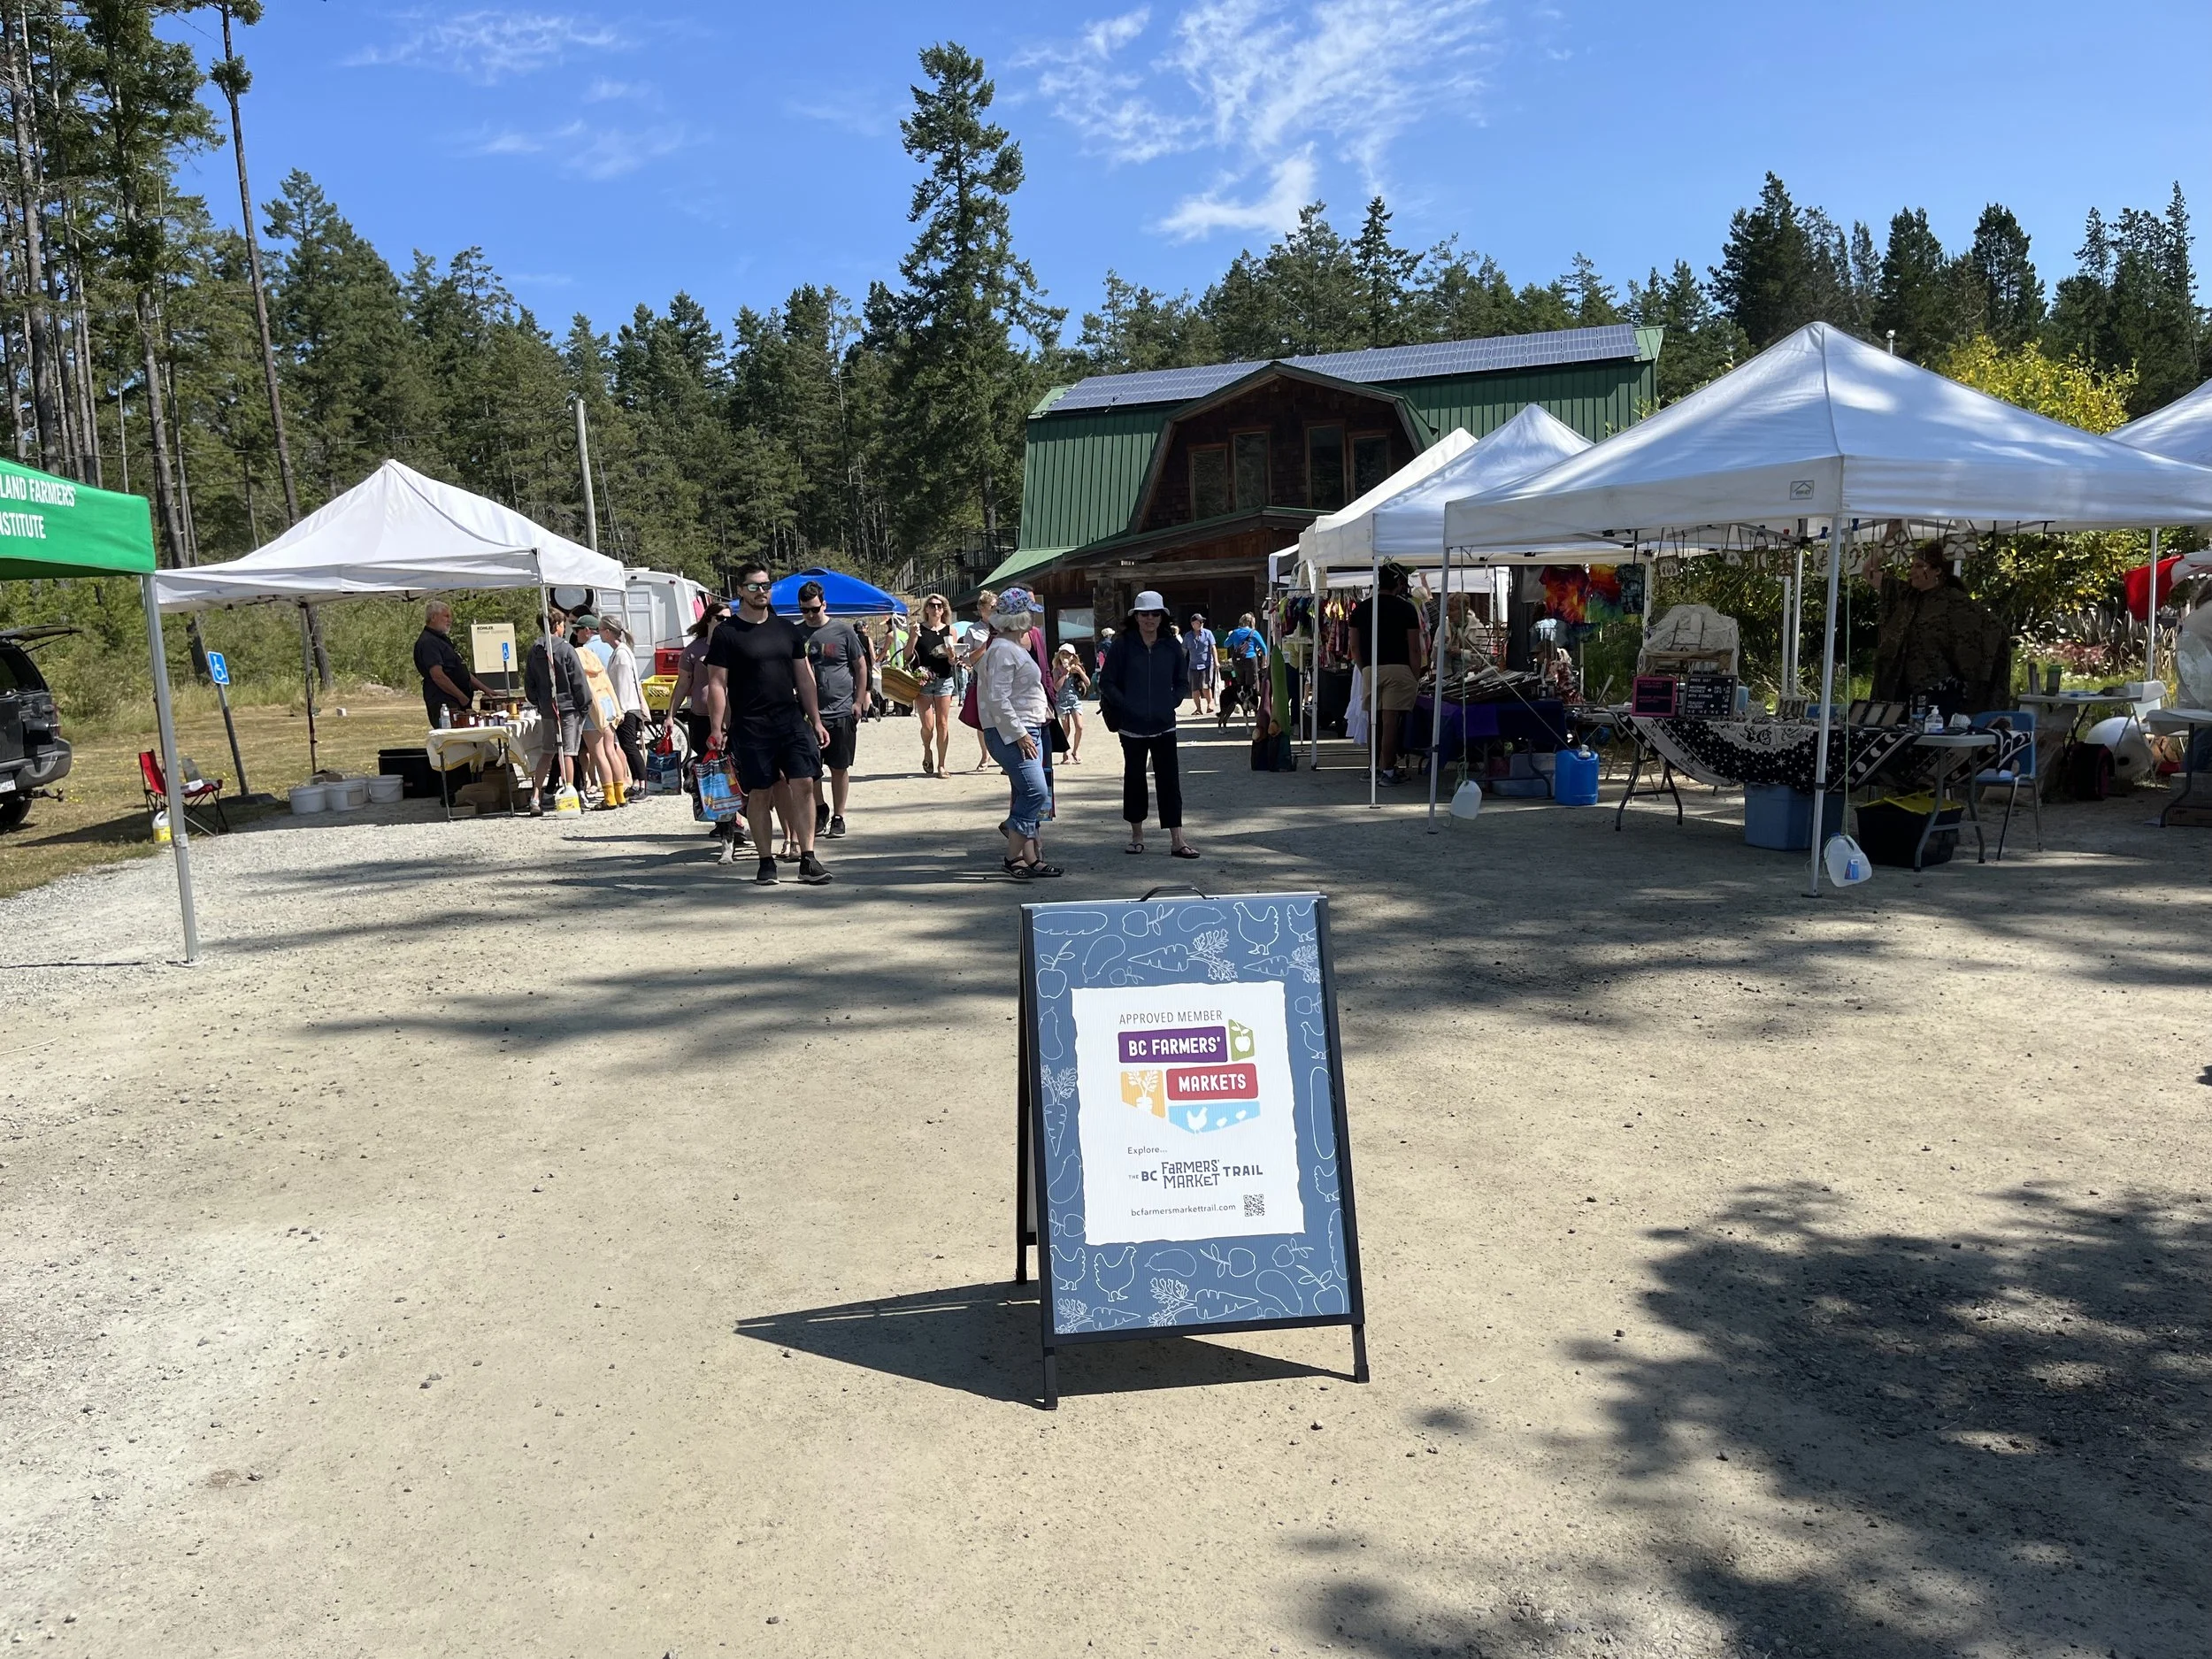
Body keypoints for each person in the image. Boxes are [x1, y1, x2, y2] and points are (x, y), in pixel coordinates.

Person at [703, 562, 833, 885]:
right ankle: (765, 862)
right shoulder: (727, 634)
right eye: (754, 586)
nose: (762, 591)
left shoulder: (786, 630)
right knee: (760, 793)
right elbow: (717, 684)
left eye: (766, 585)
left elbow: (804, 678)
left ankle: (808, 859)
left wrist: (815, 719)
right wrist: (717, 728)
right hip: (750, 724)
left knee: (803, 783)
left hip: (790, 720)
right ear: (740, 591)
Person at [1862, 531, 2008, 717]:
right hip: (1897, 691)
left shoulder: (1955, 603)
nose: (1912, 572)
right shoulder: (1905, 595)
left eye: (1919, 566)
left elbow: (1995, 629)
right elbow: (1868, 572)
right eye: (1912, 565)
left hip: (1937, 696)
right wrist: (1888, 537)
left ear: (1937, 570)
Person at [1100, 589, 1198, 858]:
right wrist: (1126, 704)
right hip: (1131, 727)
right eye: (1145, 614)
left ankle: (1177, 840)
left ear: (1162, 617)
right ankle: (1136, 836)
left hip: (1164, 724)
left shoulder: (1171, 646)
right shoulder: (1122, 644)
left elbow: (1181, 682)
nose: (1150, 619)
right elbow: (1106, 682)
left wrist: (1171, 702)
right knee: (1134, 780)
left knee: (1169, 781)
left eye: (1155, 613)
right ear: (1136, 616)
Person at [974, 585, 1061, 879]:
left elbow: (1018, 693)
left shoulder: (1007, 648)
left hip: (1025, 730)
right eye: (1030, 614)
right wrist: (1021, 733)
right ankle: (1013, 857)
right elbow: (998, 699)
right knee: (1036, 791)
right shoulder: (1003, 651)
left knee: (1032, 791)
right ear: (1020, 618)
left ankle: (1030, 857)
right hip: (1014, 734)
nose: (1034, 620)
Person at [794, 579, 872, 839]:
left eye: (815, 609)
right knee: (809, 768)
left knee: (839, 767)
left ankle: (839, 815)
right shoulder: (796, 634)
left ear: (824, 605)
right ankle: (820, 808)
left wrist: (859, 701)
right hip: (806, 713)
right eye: (805, 610)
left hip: (840, 710)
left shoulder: (843, 631)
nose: (810, 615)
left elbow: (861, 666)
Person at [1348, 568, 1425, 784]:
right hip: (1399, 668)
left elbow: (1354, 646)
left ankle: (1373, 767)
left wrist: (1364, 669)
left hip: (1371, 668)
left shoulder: (1361, 609)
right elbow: (1414, 648)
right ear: (1399, 584)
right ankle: (1388, 770)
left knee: (1374, 721)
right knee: (1390, 721)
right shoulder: (1407, 609)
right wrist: (1415, 674)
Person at [524, 609, 590, 816]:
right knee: (568, 753)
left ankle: (536, 797)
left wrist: (539, 702)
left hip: (547, 708)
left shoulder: (535, 650)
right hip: (568, 707)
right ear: (556, 626)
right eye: (562, 625)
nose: (564, 629)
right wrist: (584, 704)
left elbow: (529, 683)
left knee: (547, 752)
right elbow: (578, 680)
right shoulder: (566, 649)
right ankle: (569, 794)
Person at [569, 615, 631, 807]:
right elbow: (607, 682)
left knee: (598, 753)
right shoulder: (602, 653)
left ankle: (609, 797)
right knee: (611, 750)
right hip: (607, 703)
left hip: (592, 707)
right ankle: (620, 794)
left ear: (587, 631)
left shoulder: (582, 653)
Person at [413, 599, 491, 727]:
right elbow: (438, 676)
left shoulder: (442, 640)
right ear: (433, 617)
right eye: (446, 616)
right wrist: (461, 697)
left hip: (459, 702)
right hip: (444, 702)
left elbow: (461, 671)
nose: (450, 620)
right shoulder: (429, 642)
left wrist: (486, 690)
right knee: (455, 742)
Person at [599, 617, 650, 794]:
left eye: (600, 630)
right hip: (627, 706)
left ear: (607, 632)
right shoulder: (621, 651)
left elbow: (622, 686)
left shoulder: (621, 654)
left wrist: (618, 711)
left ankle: (643, 784)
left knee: (630, 746)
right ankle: (637, 781)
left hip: (626, 707)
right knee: (629, 746)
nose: (599, 634)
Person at [912, 593, 959, 777]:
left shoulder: (950, 630)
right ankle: (927, 749)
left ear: (944, 609)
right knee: (928, 726)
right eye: (932, 605)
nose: (936, 609)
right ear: (926, 609)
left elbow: (954, 661)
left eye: (940, 606)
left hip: (944, 679)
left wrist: (951, 655)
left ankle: (941, 765)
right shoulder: (918, 629)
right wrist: (912, 638)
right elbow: (907, 656)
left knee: (943, 723)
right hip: (922, 680)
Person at [963, 589, 998, 771]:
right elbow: (967, 659)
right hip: (981, 679)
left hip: (1002, 678)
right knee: (983, 719)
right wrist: (986, 645)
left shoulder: (1003, 627)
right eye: (992, 606)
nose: (995, 609)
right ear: (982, 609)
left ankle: (1003, 756)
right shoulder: (973, 630)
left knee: (1002, 717)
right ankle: (985, 755)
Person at [1052, 642, 1090, 764]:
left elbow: (1088, 683)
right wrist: (1064, 673)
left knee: (1079, 726)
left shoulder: (1077, 668)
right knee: (1066, 729)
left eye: (1068, 654)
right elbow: (1056, 688)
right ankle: (1066, 753)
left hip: (1075, 700)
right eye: (1063, 654)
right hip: (1062, 702)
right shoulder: (1057, 671)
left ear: (1073, 656)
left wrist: (1080, 672)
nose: (1065, 657)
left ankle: (1076, 750)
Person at [1184, 611, 1217, 716]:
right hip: (1193, 666)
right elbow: (1184, 651)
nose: (1202, 623)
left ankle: (1210, 703)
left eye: (1202, 622)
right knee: (1194, 689)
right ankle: (1198, 709)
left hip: (1206, 665)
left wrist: (1216, 661)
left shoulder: (1208, 633)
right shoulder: (1188, 636)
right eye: (1200, 622)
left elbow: (1213, 648)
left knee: (1205, 686)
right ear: (1193, 624)